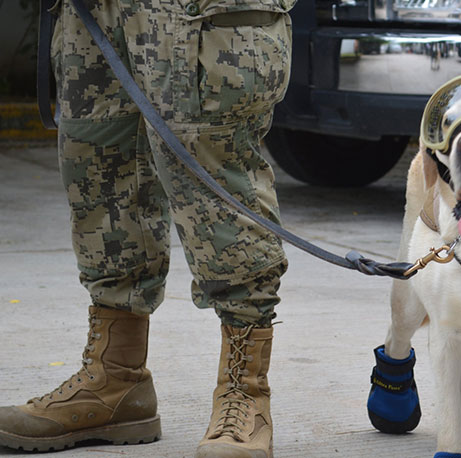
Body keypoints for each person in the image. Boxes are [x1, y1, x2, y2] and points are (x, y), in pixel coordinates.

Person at [0, 0, 295, 456]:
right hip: (94, 9)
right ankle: (115, 380)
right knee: (98, 176)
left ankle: (245, 391)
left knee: (215, 180)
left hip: (198, 11)